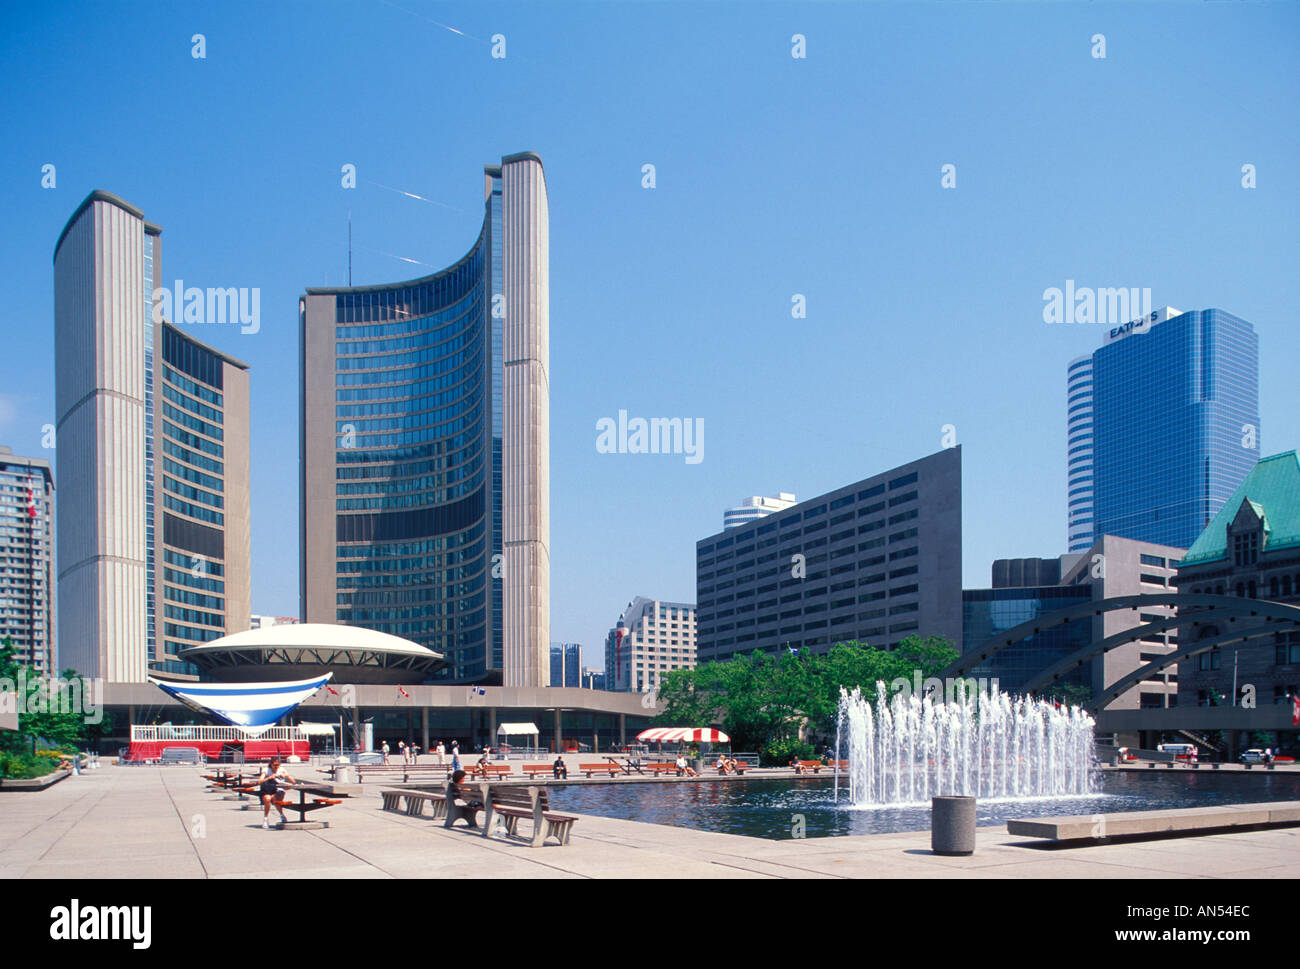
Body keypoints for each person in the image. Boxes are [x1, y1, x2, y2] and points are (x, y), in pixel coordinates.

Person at [257, 757, 295, 829]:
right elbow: (259, 782)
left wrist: (286, 775)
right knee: (267, 799)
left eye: (278, 765)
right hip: (268, 789)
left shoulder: (282, 770)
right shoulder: (266, 770)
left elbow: (293, 782)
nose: (276, 767)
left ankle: (281, 814)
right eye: (275, 765)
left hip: (279, 790)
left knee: (275, 799)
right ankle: (266, 819)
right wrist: (269, 777)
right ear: (271, 764)